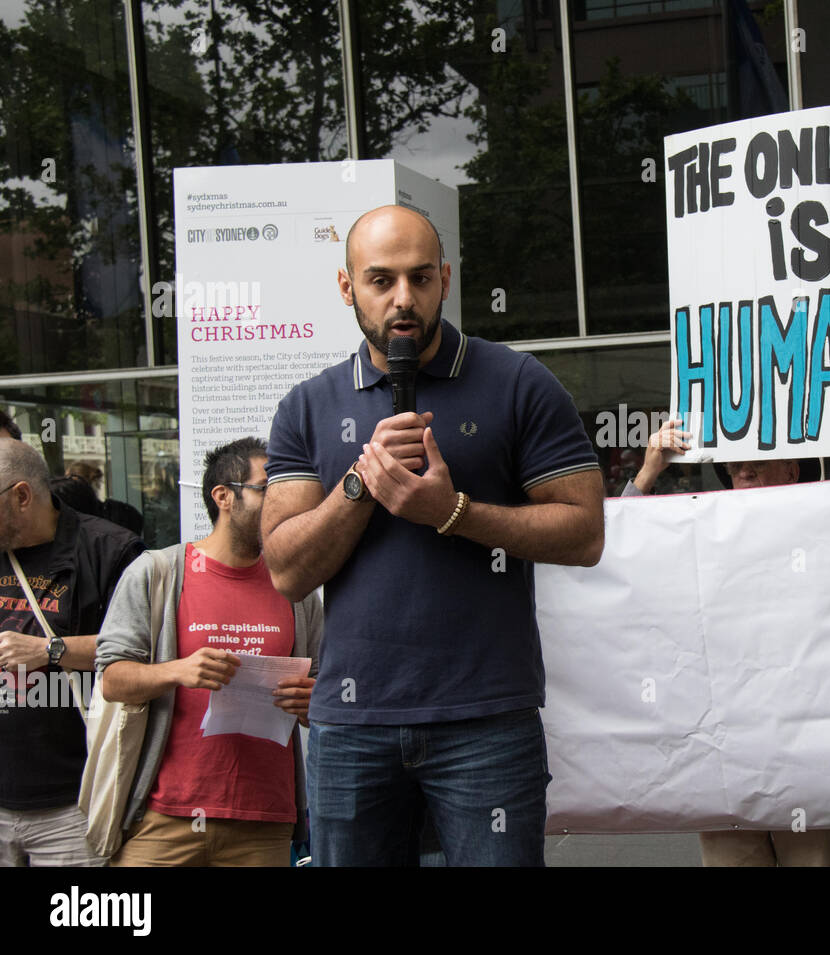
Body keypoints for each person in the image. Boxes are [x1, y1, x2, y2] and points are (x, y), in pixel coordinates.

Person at [261, 204, 604, 866]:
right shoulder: (307, 406)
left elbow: (583, 533)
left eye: (420, 278)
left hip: (486, 721)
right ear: (346, 286)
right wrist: (363, 481)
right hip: (352, 724)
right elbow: (287, 570)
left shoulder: (517, 383)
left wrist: (453, 511)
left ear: (446, 279)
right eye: (380, 280)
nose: (402, 300)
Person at [624, 419, 830, 866]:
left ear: (793, 471)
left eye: (757, 464)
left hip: (804, 753)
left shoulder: (824, 525)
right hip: (721, 754)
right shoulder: (698, 528)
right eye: (735, 467)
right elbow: (622, 549)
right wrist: (647, 474)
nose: (744, 473)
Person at [95, 438, 321, 866]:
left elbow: (332, 689)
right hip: (164, 818)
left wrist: (315, 702)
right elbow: (112, 679)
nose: (283, 503)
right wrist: (176, 671)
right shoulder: (159, 573)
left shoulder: (298, 591)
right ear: (224, 497)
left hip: (263, 821)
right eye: (267, 490)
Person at [0, 440, 143, 866]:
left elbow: (143, 650)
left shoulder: (110, 549)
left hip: (74, 800)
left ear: (22, 496)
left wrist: (49, 650)